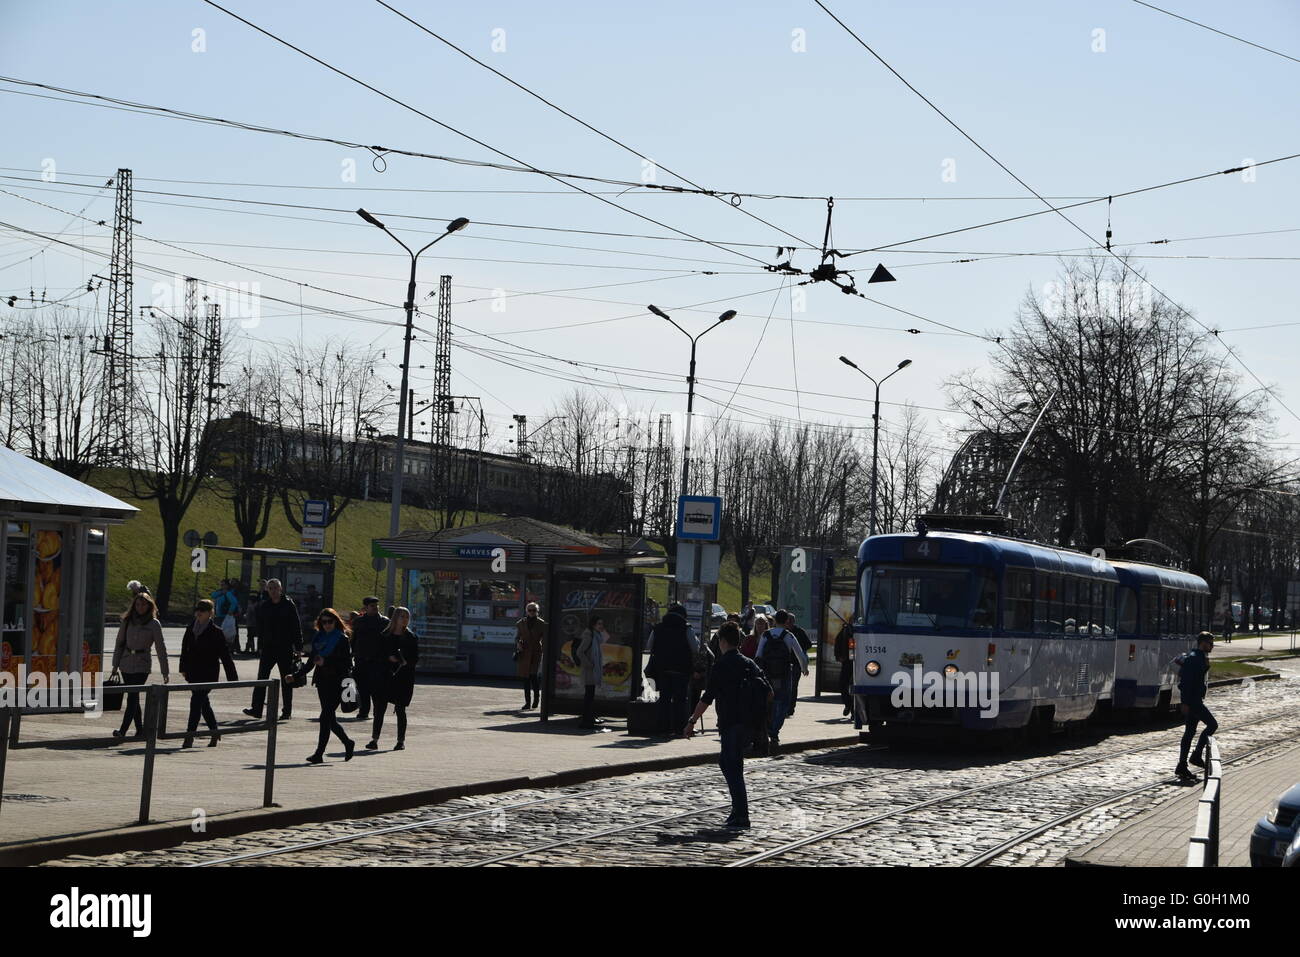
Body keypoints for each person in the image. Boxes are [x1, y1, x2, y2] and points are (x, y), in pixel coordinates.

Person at [684, 621, 771, 830]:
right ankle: (737, 810)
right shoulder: (749, 663)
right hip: (749, 723)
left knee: (731, 766)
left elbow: (707, 698)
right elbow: (769, 693)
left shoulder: (721, 665)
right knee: (730, 764)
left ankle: (741, 814)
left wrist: (691, 721)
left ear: (722, 641)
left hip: (731, 722)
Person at [298, 608, 356, 764]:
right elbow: (312, 661)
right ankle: (348, 742)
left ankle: (319, 754)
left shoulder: (341, 639)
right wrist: (296, 675)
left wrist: (327, 662)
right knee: (329, 719)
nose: (327, 625)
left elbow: (346, 663)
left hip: (338, 683)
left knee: (324, 718)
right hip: (322, 682)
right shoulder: (319, 637)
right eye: (324, 622)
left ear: (336, 622)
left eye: (330, 621)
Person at [179, 598, 238, 748]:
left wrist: (233, 677)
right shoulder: (191, 628)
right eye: (197, 610)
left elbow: (225, 655)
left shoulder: (216, 632)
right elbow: (184, 649)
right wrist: (183, 668)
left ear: (210, 613)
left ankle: (189, 736)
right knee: (203, 704)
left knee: (196, 702)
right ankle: (214, 731)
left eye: (203, 610)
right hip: (193, 672)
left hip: (208, 673)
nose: (198, 613)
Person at [110, 591, 170, 739]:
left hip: (142, 664)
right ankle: (140, 729)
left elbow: (160, 648)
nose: (140, 607)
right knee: (133, 696)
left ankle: (123, 731)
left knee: (132, 696)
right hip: (126, 662)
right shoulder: (128, 620)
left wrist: (165, 671)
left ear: (149, 606)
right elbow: (119, 643)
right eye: (137, 604)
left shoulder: (154, 623)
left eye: (143, 604)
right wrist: (115, 665)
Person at [244, 578, 302, 721]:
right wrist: (260, 646)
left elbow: (296, 625)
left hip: (285, 647)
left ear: (280, 589)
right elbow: (261, 627)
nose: (273, 591)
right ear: (267, 590)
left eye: (275, 588)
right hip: (269, 647)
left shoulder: (288, 604)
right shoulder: (265, 606)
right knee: (261, 677)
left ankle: (286, 711)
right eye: (270, 588)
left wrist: (298, 646)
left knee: (286, 679)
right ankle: (256, 709)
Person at [367, 606, 419, 751]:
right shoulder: (385, 635)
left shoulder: (411, 637)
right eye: (402, 616)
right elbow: (376, 655)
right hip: (385, 675)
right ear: (395, 618)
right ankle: (374, 739)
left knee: (400, 709)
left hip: (403, 677)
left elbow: (415, 659)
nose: (405, 619)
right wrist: (387, 658)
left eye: (407, 617)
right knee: (379, 708)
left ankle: (400, 741)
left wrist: (404, 661)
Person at [756, 609, 809, 751]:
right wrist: (804, 669)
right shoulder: (788, 636)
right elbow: (800, 655)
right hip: (784, 673)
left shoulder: (765, 635)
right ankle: (774, 733)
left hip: (768, 674)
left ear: (774, 619)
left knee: (768, 701)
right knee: (783, 703)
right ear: (786, 621)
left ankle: (766, 728)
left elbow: (759, 655)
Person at [645, 602, 696, 737]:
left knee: (664, 699)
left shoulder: (658, 628)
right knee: (680, 700)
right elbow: (694, 647)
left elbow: (649, 646)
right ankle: (679, 728)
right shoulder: (686, 628)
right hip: (681, 669)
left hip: (662, 669)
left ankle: (663, 728)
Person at [1175, 632, 1218, 782]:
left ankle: (1182, 765)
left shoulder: (1200, 657)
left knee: (1189, 732)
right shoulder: (1194, 658)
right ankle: (1196, 755)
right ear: (1203, 643)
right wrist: (1185, 703)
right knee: (1212, 724)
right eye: (1210, 643)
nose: (1212, 646)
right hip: (1193, 701)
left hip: (1195, 699)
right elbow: (1185, 683)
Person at [350, 596, 389, 722]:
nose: (375, 608)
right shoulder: (359, 622)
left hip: (378, 661)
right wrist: (351, 654)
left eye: (376, 605)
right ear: (365, 608)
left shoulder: (384, 621)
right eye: (372, 606)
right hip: (361, 659)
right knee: (362, 688)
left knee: (376, 688)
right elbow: (354, 639)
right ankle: (363, 711)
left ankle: (377, 711)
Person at [576, 615, 607, 729]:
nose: (601, 626)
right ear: (593, 624)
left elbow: (606, 638)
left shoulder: (596, 635)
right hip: (589, 670)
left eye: (602, 624)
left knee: (590, 695)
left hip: (593, 670)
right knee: (589, 696)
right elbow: (580, 652)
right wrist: (589, 664)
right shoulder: (589, 636)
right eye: (599, 624)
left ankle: (590, 718)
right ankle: (586, 720)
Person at [515, 601, 546, 710]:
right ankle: (527, 702)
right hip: (525, 652)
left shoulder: (542, 623)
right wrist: (518, 643)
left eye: (534, 610)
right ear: (526, 611)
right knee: (525, 678)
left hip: (536, 652)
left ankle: (536, 700)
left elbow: (545, 638)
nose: (532, 612)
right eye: (530, 610)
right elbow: (517, 637)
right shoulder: (521, 623)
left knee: (534, 677)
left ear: (537, 611)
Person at [785, 612, 813, 716]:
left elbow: (809, 644)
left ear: (794, 621)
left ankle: (791, 708)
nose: (789, 622)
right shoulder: (783, 631)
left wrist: (799, 649)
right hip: (784, 663)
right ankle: (785, 706)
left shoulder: (799, 631)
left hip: (796, 663)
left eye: (791, 620)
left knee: (793, 686)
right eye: (787, 620)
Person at [210, 579, 241, 654]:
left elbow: (234, 602)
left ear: (227, 585)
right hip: (218, 616)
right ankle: (219, 648)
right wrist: (221, 592)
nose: (221, 586)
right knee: (217, 633)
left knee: (226, 633)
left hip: (225, 616)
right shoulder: (220, 592)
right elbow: (213, 595)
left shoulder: (228, 593)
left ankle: (228, 649)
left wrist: (231, 610)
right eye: (221, 584)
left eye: (223, 584)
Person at [834, 620, 853, 717]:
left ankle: (854, 711)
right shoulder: (845, 630)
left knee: (856, 687)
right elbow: (837, 643)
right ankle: (848, 704)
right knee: (843, 685)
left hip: (862, 664)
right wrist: (839, 656)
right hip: (847, 663)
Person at [244, 578, 267, 655]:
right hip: (257, 616)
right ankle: (257, 649)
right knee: (257, 633)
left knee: (263, 634)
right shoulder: (258, 594)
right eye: (260, 585)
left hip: (264, 616)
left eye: (263, 584)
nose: (261, 586)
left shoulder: (267, 593)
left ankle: (261, 649)